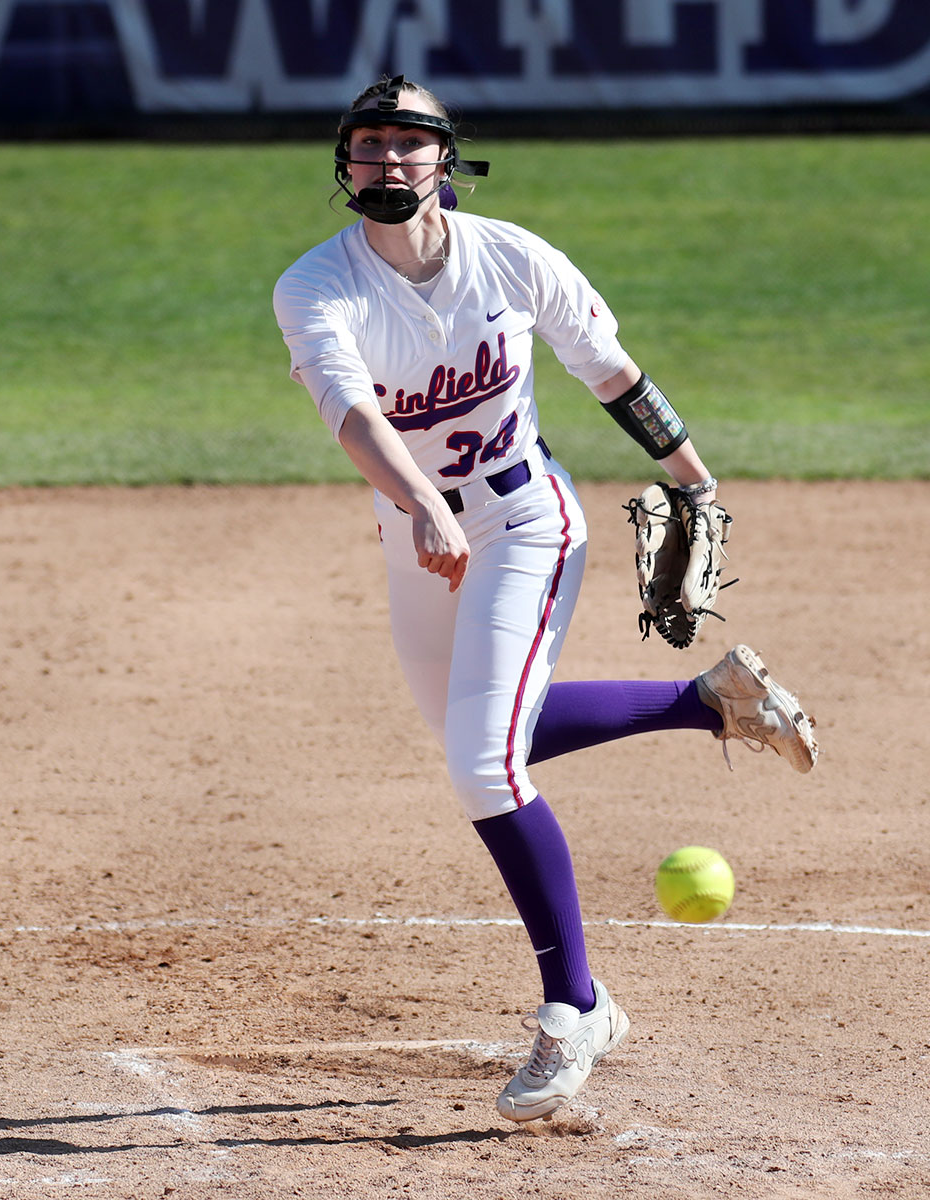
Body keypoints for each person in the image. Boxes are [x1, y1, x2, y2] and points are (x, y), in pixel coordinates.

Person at [272, 75, 819, 1123]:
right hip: (416, 536)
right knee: (475, 741)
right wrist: (424, 504)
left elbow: (612, 373)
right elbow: (350, 415)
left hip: (528, 523)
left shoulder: (513, 257)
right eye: (368, 145)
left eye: (409, 145)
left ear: (447, 160)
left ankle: (575, 1009)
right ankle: (704, 702)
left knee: (485, 765)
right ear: (343, 163)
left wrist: (695, 480)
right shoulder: (317, 286)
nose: (387, 163)